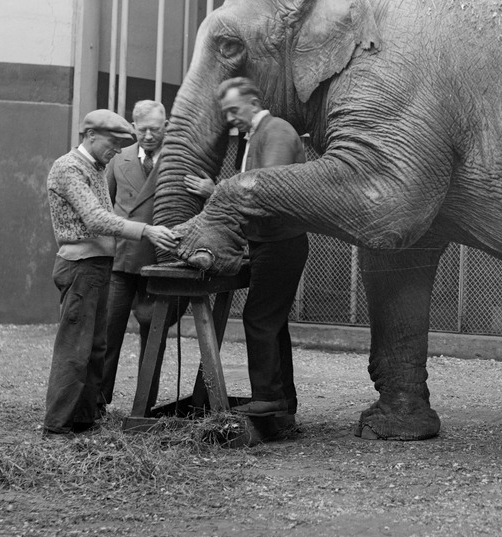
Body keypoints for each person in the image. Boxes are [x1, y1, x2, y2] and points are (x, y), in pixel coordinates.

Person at [42, 109, 177, 439]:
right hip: (80, 267)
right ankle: (57, 427)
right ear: (90, 135)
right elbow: (96, 219)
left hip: (100, 265)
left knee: (96, 348)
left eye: (120, 144)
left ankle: (85, 419)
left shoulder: (96, 167)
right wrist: (145, 230)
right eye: (112, 143)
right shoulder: (69, 167)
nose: (117, 150)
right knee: (74, 350)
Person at [183, 77, 309, 421]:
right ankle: (282, 400)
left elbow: (266, 189)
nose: (230, 119)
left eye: (234, 110)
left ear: (254, 102)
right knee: (272, 321)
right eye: (226, 112)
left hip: (280, 243)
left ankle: (269, 399)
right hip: (269, 242)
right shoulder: (257, 135)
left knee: (259, 319)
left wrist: (218, 191)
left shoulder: (277, 131)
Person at [98, 100, 186, 415]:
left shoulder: (178, 162)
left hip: (158, 261)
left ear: (166, 126)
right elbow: (102, 208)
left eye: (156, 128)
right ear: (133, 128)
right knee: (108, 332)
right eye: (143, 129)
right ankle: (97, 402)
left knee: (154, 336)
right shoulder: (118, 160)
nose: (149, 135)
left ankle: (143, 407)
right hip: (122, 261)